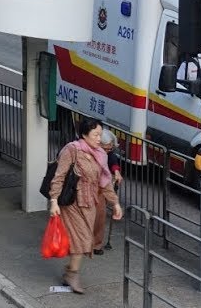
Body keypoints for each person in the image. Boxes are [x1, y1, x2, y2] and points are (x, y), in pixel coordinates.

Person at [47, 117, 123, 294]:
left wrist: (115, 203)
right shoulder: (72, 150)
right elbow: (59, 176)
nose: (99, 139)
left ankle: (69, 272)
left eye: (100, 134)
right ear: (84, 134)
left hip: (90, 203)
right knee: (83, 240)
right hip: (72, 202)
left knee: (82, 240)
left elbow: (104, 183)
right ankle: (72, 274)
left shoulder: (101, 154)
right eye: (95, 134)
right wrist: (53, 201)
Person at [94, 129, 125, 255]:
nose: (107, 151)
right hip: (84, 187)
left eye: (109, 149)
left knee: (100, 215)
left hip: (100, 186)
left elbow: (113, 160)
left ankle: (96, 244)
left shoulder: (108, 153)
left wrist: (116, 172)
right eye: (105, 148)